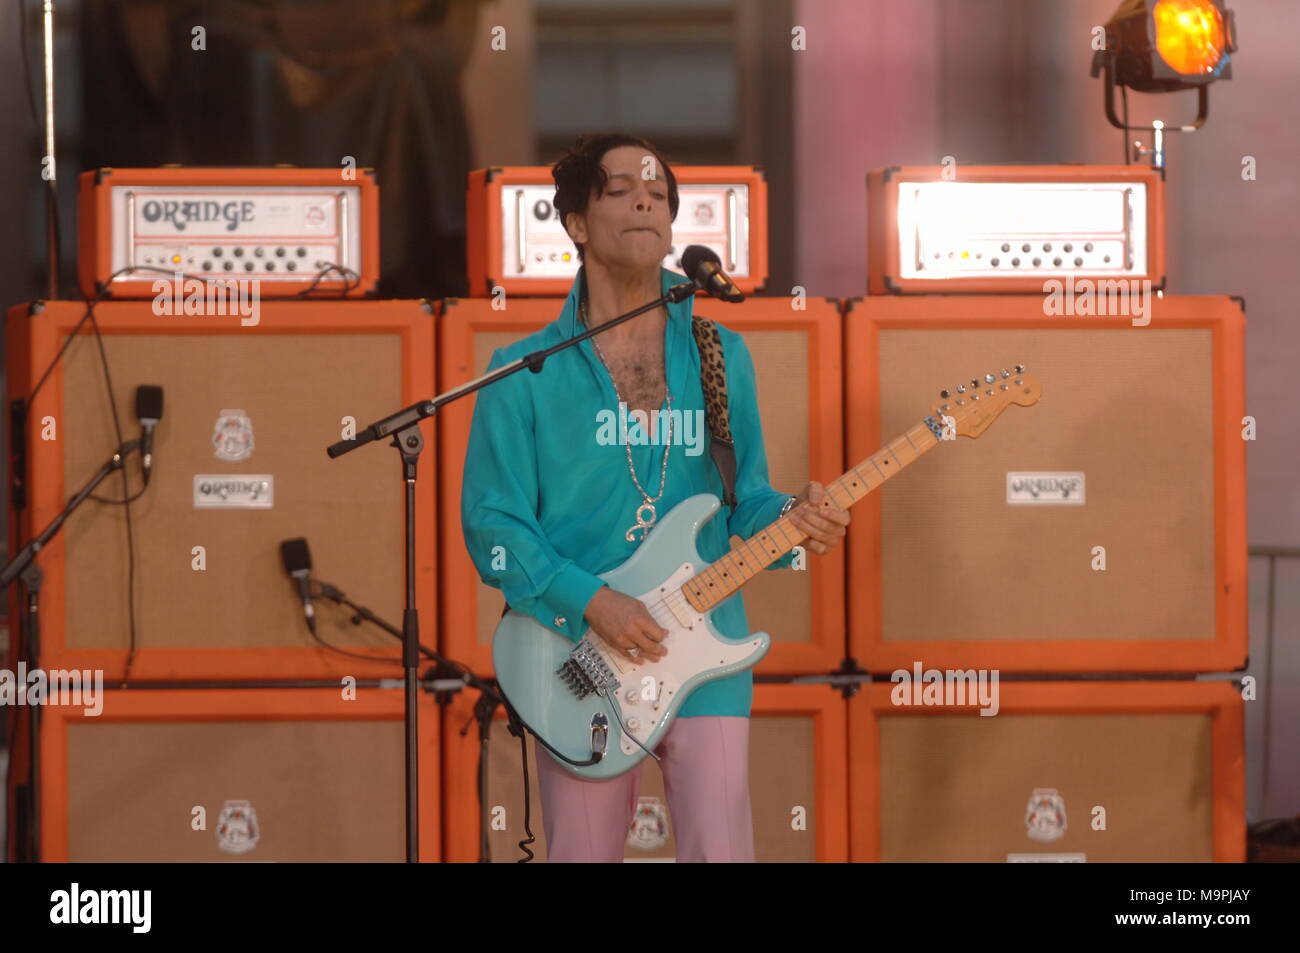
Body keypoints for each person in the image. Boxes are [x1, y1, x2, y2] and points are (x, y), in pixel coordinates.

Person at [461, 133, 849, 862]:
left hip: (708, 652)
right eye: (621, 189)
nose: (647, 200)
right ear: (576, 222)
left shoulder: (719, 353)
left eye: (660, 193)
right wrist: (592, 600)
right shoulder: (522, 370)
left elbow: (747, 501)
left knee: (721, 852)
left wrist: (797, 521)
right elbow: (494, 525)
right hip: (574, 654)